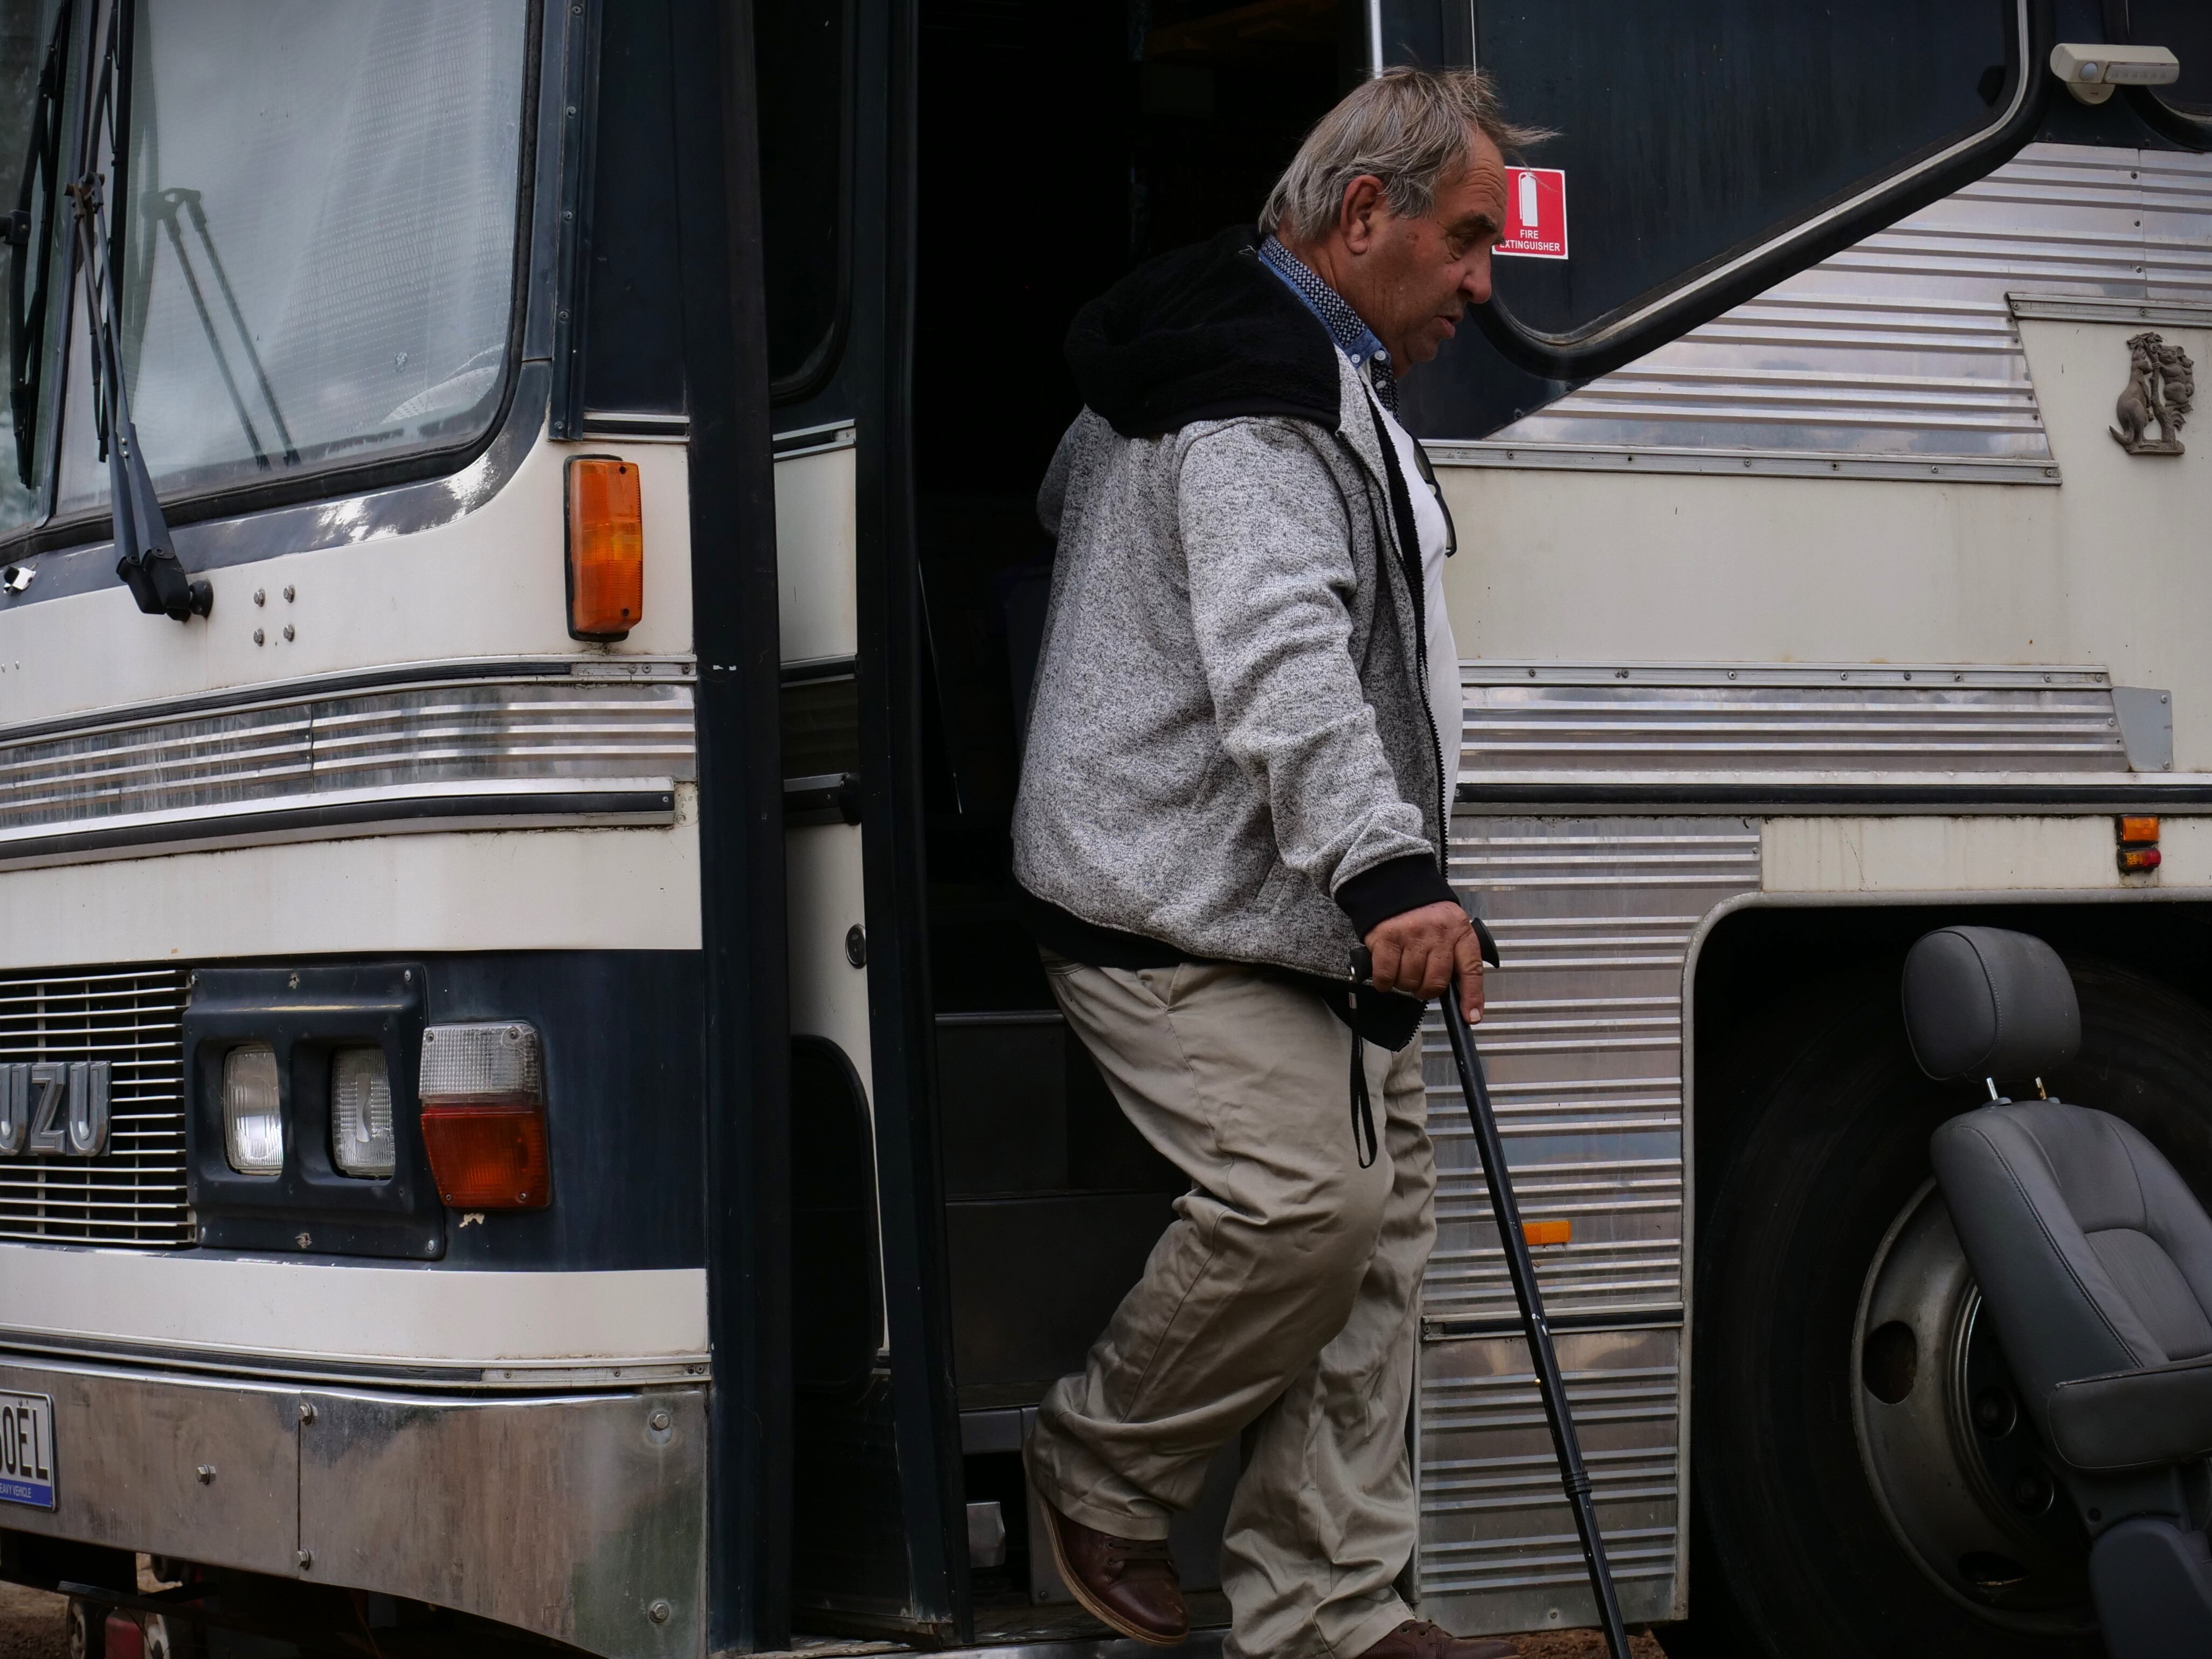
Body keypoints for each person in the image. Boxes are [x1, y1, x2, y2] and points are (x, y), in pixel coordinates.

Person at [1012, 64, 1544, 1659]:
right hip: (1180, 898)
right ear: (1362, 213)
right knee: (1307, 1208)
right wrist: (1387, 870)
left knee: (1375, 1251)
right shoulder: (1256, 395)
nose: (1483, 280)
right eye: (1463, 238)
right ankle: (1097, 1461)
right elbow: (1281, 657)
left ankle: (1329, 1615)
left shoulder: (1293, 359)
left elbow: (1066, 506)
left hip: (1285, 903)